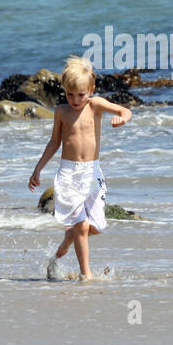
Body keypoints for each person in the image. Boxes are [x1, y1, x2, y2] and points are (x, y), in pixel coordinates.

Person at [28, 56, 132, 280]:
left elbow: (125, 111)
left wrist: (122, 119)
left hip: (92, 172)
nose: (75, 99)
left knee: (94, 227)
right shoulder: (61, 112)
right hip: (69, 173)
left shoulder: (96, 105)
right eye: (70, 94)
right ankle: (87, 275)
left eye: (81, 94)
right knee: (82, 226)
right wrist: (38, 169)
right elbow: (54, 142)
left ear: (91, 89)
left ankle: (69, 237)